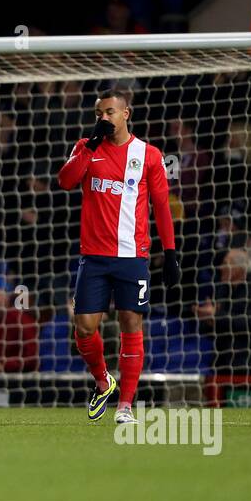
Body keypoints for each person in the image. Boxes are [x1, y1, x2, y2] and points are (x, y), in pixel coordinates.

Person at [57, 90, 179, 424]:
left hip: (132, 257)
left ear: (126, 113)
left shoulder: (149, 155)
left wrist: (170, 253)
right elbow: (66, 181)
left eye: (110, 112)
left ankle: (125, 406)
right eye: (99, 113)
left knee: (131, 324)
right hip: (93, 257)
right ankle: (102, 380)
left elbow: (161, 206)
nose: (104, 118)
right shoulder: (85, 147)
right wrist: (90, 146)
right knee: (83, 328)